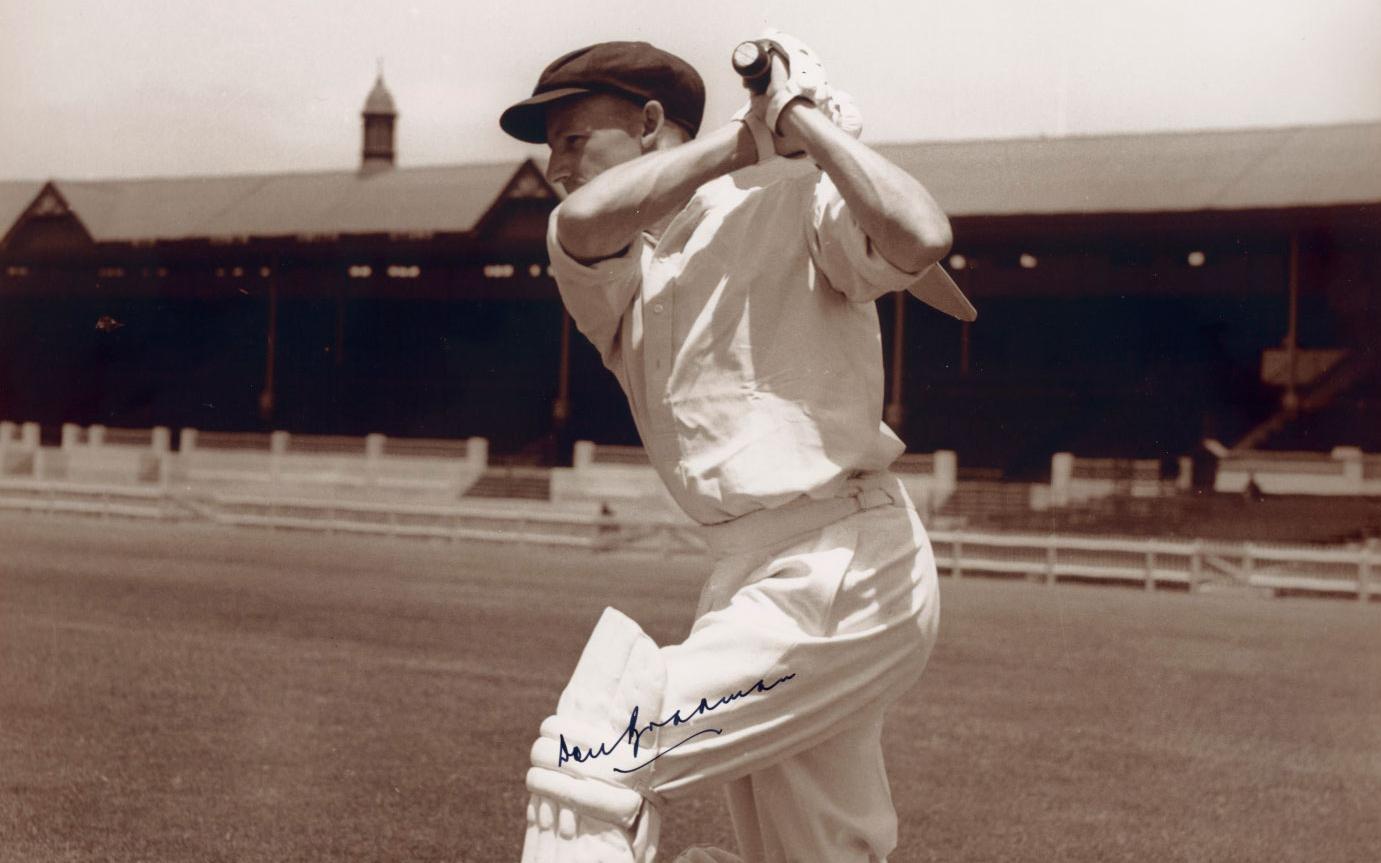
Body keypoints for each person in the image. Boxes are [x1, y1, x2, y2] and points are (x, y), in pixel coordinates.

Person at [500, 35, 974, 863]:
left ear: (650, 123)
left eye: (573, 140)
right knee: (815, 851)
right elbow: (580, 221)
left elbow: (921, 234)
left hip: (842, 559)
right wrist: (751, 136)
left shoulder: (793, 203)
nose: (555, 165)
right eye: (551, 149)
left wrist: (810, 129)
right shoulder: (611, 267)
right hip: (748, 573)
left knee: (592, 752)